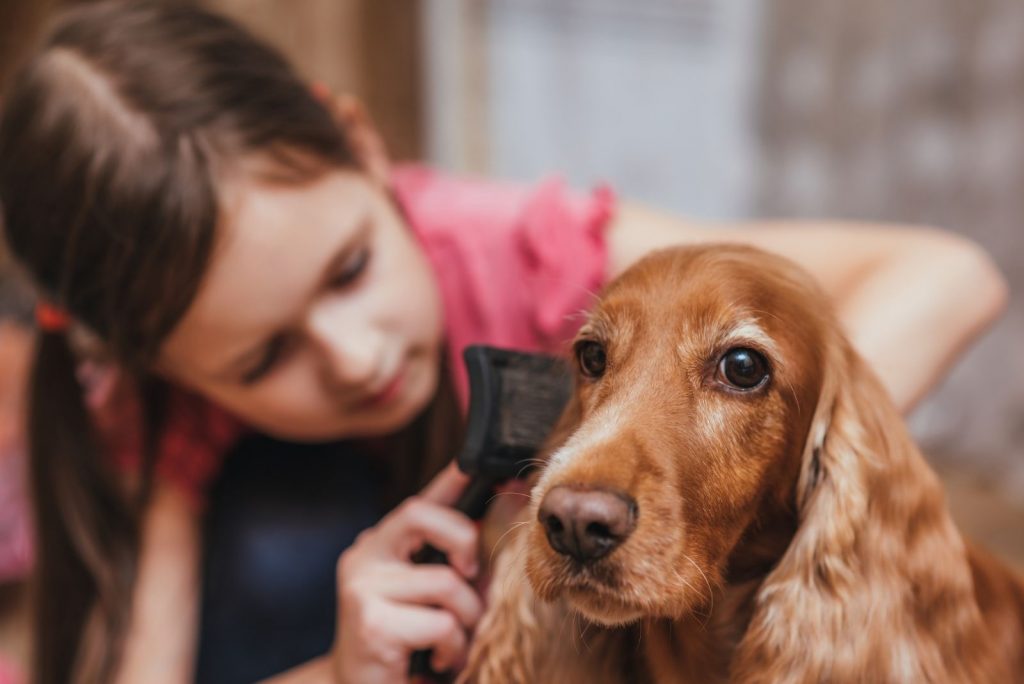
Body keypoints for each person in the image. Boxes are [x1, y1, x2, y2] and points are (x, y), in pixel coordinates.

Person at [0, 1, 1007, 683]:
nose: (354, 353)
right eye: (263, 356)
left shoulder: (511, 244)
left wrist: (781, 447)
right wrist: (347, 668)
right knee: (283, 533)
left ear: (360, 144)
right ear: (150, 364)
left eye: (349, 268)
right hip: (400, 599)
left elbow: (953, 276)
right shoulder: (152, 426)